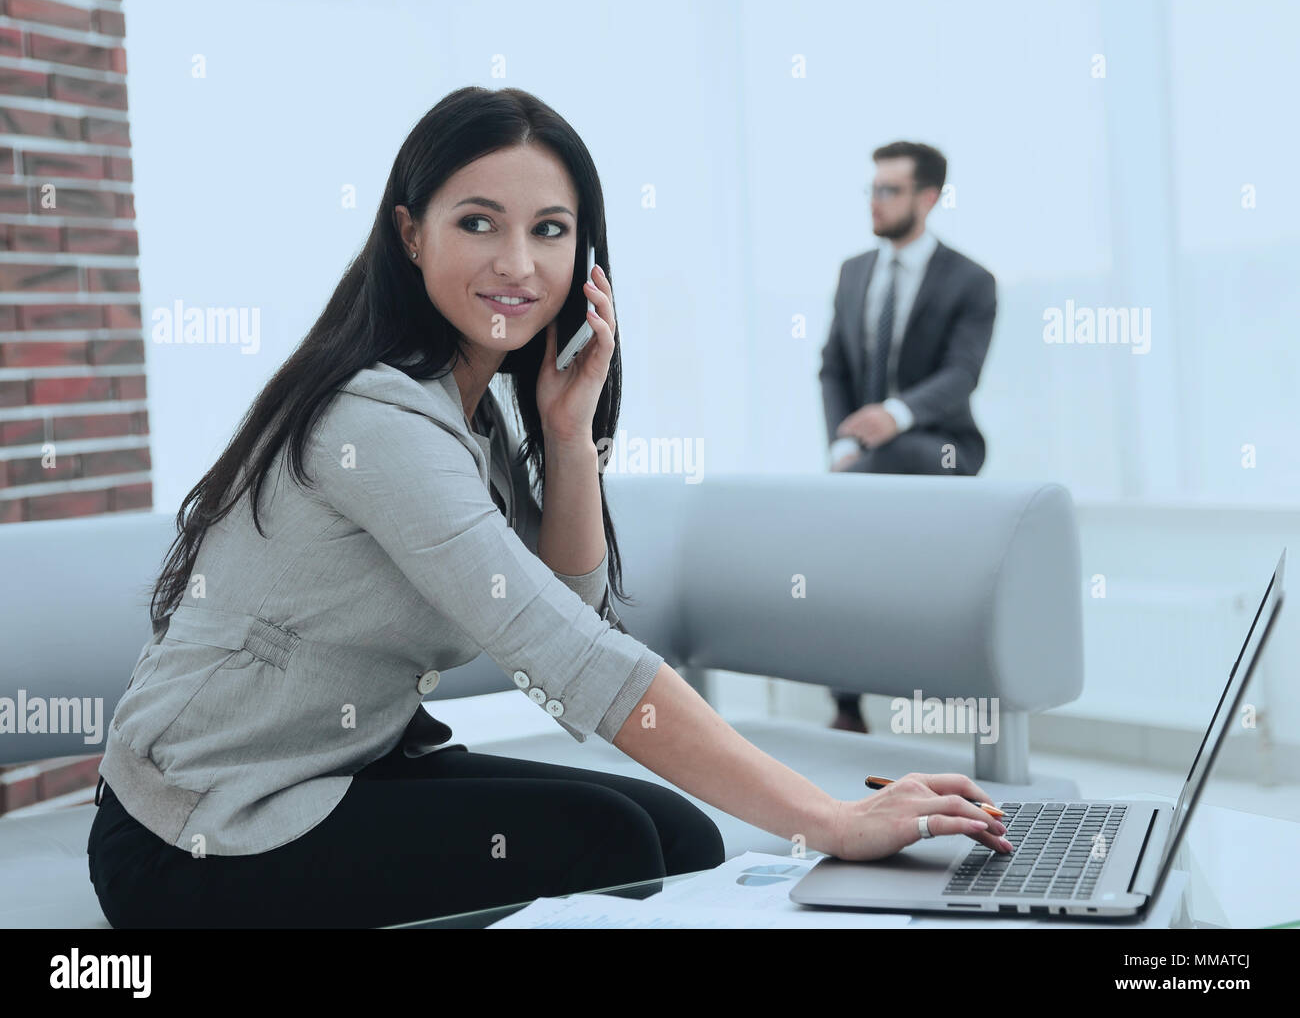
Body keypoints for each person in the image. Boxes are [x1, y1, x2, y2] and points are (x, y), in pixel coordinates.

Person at [86, 90, 1013, 929]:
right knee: (614, 846)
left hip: (345, 767)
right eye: (480, 222)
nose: (518, 264)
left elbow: (569, 607)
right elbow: (571, 656)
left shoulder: (473, 411)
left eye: (552, 230)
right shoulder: (377, 420)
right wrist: (830, 818)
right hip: (202, 829)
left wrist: (568, 439)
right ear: (411, 234)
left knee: (676, 835)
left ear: (585, 251)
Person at [818, 142, 997, 735]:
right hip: (863, 459)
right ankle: (846, 702)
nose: (876, 201)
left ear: (929, 198)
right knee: (840, 534)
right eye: (872, 188)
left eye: (890, 190)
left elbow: (962, 374)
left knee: (857, 495)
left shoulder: (971, 280)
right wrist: (842, 444)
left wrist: (895, 414)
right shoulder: (853, 272)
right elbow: (833, 367)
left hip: (938, 448)